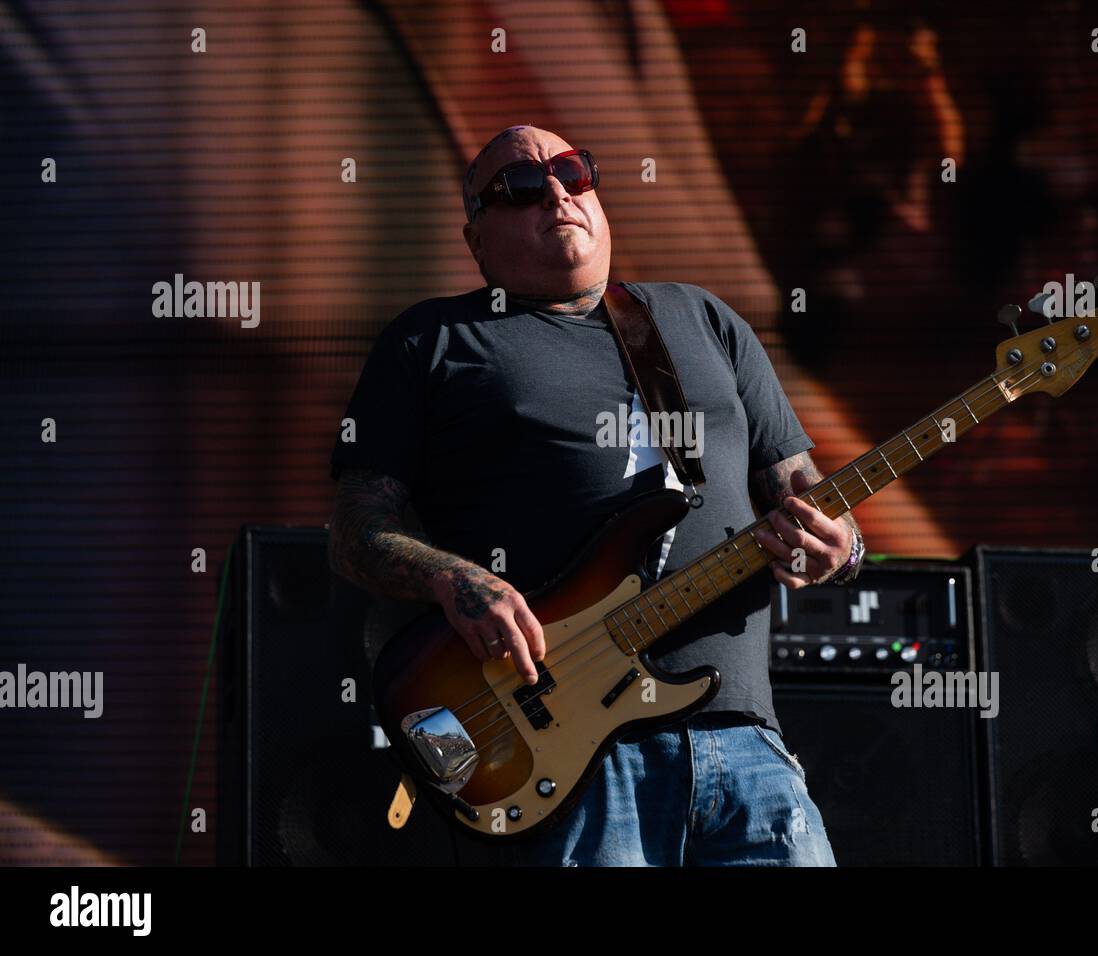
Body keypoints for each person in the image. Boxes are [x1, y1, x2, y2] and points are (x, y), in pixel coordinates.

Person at [329, 125, 863, 866]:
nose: (555, 192)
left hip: (745, 742)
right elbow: (357, 529)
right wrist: (453, 579)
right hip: (572, 754)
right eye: (519, 186)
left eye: (572, 171)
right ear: (475, 237)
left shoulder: (702, 320)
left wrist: (841, 545)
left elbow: (803, 492)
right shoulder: (432, 341)